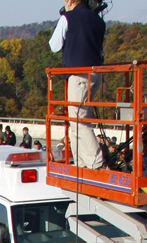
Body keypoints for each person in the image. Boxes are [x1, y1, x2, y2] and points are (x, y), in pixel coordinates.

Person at [50, 0, 108, 170]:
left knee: (78, 120)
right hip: (96, 73)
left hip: (79, 74)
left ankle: (96, 163)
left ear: (70, 1)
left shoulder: (68, 18)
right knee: (78, 119)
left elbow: (54, 45)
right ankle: (81, 163)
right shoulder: (98, 20)